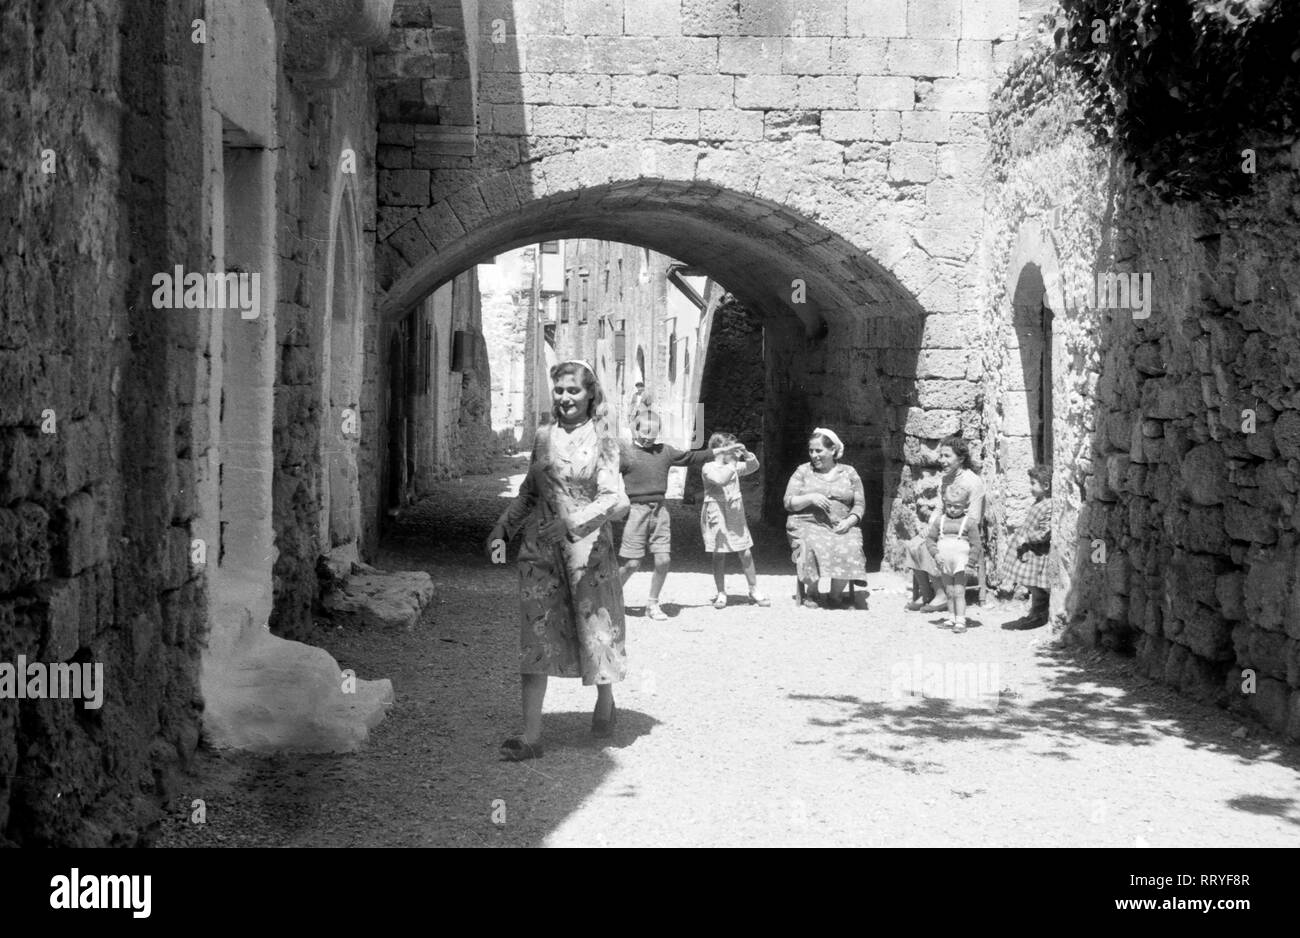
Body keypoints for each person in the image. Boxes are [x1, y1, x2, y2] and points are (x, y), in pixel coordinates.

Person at [486, 360, 630, 761]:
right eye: (560, 391)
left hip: (588, 552)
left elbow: (613, 499)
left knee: (596, 629)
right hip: (540, 554)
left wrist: (572, 523)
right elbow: (530, 492)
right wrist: (503, 529)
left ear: (590, 394)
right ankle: (531, 736)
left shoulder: (604, 440)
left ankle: (605, 701)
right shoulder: (544, 436)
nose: (565, 398)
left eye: (574, 391)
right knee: (535, 637)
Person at [618, 411, 742, 620]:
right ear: (634, 428)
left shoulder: (665, 452)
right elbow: (606, 475)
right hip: (636, 511)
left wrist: (725, 449)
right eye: (645, 431)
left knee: (663, 560)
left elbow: (693, 457)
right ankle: (611, 594)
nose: (649, 437)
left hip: (660, 511)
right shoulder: (626, 455)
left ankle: (652, 604)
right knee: (631, 563)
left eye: (654, 433)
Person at [783, 427, 870, 609]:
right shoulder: (803, 471)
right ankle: (812, 592)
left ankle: (835, 595)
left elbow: (859, 505)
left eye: (819, 450)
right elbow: (788, 502)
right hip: (807, 523)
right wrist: (810, 497)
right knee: (810, 545)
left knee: (850, 545)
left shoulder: (849, 473)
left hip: (841, 525)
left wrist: (850, 521)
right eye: (811, 451)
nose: (814, 455)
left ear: (833, 450)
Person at [903, 435, 986, 613]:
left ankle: (941, 594)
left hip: (963, 534)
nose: (942, 461)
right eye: (941, 456)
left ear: (961, 459)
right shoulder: (945, 479)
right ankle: (927, 593)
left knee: (928, 547)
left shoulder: (973, 482)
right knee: (913, 544)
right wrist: (931, 527)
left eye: (947, 456)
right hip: (943, 527)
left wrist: (945, 530)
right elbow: (939, 508)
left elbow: (974, 519)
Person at [700, 432, 769, 609]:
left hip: (734, 512)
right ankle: (721, 592)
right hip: (717, 512)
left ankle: (754, 589)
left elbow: (754, 466)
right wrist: (732, 463)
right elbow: (721, 480)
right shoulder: (709, 467)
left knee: (745, 550)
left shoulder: (733, 465)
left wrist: (746, 454)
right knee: (719, 553)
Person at [998, 464, 1053, 630]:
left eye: (1033, 483)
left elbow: (1045, 532)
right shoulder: (1039, 502)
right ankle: (1036, 613)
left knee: (1037, 585)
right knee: (1032, 584)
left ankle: (1039, 614)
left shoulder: (1048, 505)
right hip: (1030, 551)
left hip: (1037, 552)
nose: (1030, 487)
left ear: (1046, 486)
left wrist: (1027, 537)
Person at [925, 482, 980, 633]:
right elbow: (930, 540)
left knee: (959, 591)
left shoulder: (969, 522)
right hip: (945, 561)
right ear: (944, 503)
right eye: (949, 505)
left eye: (957, 506)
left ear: (965, 505)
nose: (953, 509)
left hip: (961, 562)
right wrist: (935, 554)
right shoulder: (940, 521)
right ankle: (951, 618)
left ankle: (961, 620)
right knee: (949, 591)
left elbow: (976, 545)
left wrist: (971, 564)